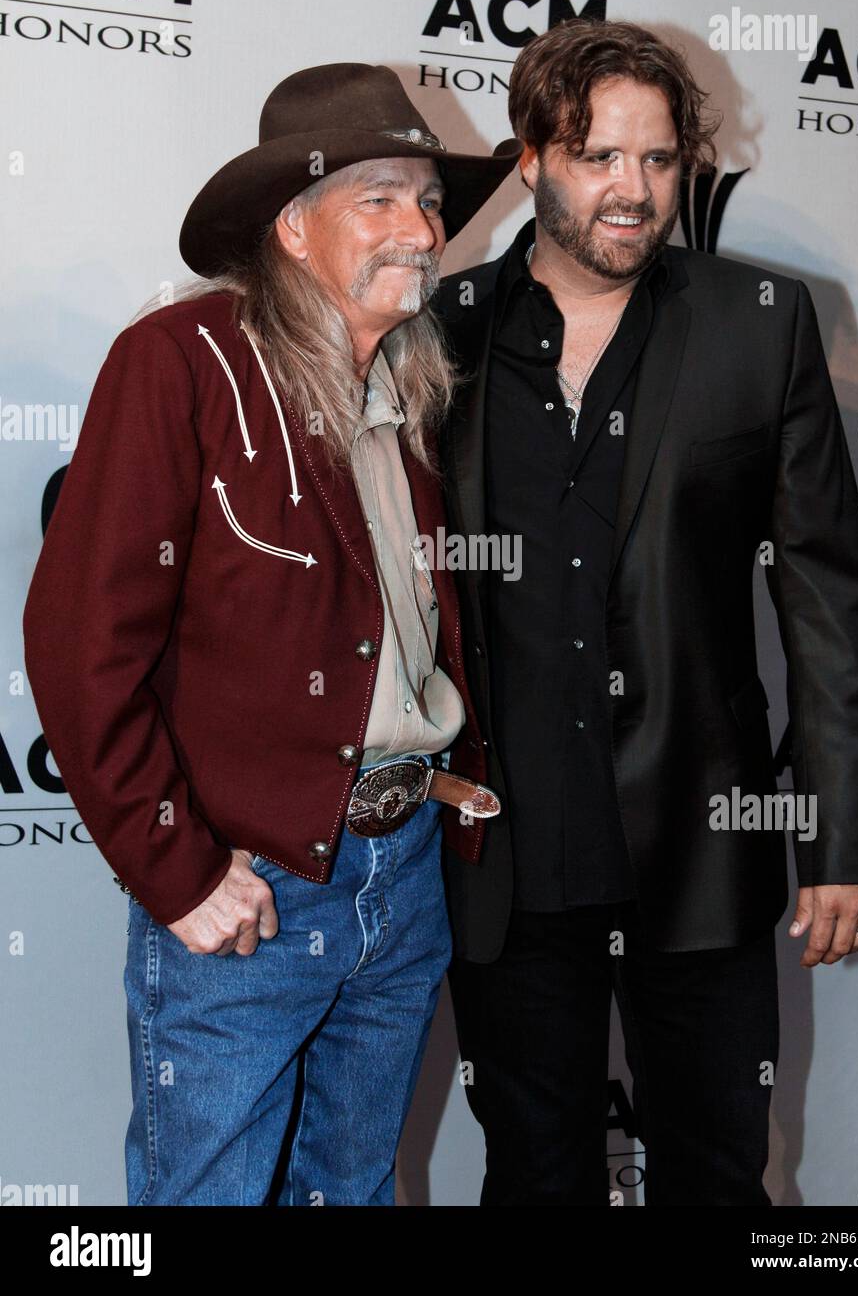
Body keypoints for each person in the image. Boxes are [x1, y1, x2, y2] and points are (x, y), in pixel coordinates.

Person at [22, 63, 516, 1206]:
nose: (423, 227)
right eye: (380, 198)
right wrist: (178, 866)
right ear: (293, 228)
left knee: (349, 1192)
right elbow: (77, 640)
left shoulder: (411, 386)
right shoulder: (183, 361)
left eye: (429, 200)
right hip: (250, 888)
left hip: (404, 876)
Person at [433, 19, 858, 1206]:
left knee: (716, 1175)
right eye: (598, 157)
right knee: (532, 1178)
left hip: (702, 847)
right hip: (512, 853)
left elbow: (831, 595)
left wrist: (848, 840)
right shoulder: (448, 334)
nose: (633, 191)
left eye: (657, 159)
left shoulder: (760, 323)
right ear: (533, 158)